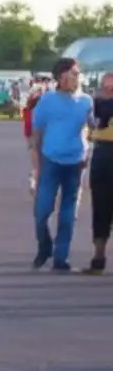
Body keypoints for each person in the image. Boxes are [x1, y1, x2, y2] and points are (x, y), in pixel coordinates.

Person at [30, 58, 94, 272]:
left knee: (68, 214)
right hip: (50, 161)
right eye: (73, 73)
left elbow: (94, 129)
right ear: (61, 77)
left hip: (75, 163)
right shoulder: (47, 101)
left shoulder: (86, 102)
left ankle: (61, 258)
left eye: (78, 74)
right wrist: (36, 168)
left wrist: (89, 149)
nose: (77, 77)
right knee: (42, 211)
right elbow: (36, 135)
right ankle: (45, 246)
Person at [84, 72, 113, 273]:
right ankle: (98, 257)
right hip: (103, 152)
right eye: (106, 86)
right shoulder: (95, 103)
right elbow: (91, 124)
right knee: (101, 206)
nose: (109, 90)